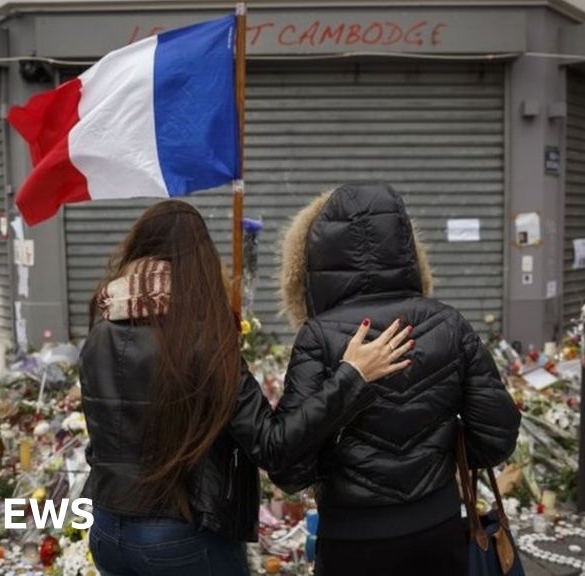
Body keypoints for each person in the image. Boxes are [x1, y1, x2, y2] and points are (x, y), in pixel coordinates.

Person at [79, 200, 412, 576]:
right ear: (201, 262)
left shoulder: (99, 335)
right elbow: (273, 445)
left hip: (106, 530)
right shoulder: (202, 341)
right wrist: (351, 376)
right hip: (178, 538)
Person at [270, 182, 521, 576]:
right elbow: (497, 436)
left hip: (353, 538)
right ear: (406, 246)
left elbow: (289, 467)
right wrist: (436, 455)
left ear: (314, 257)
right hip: (436, 527)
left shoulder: (317, 338)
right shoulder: (448, 324)